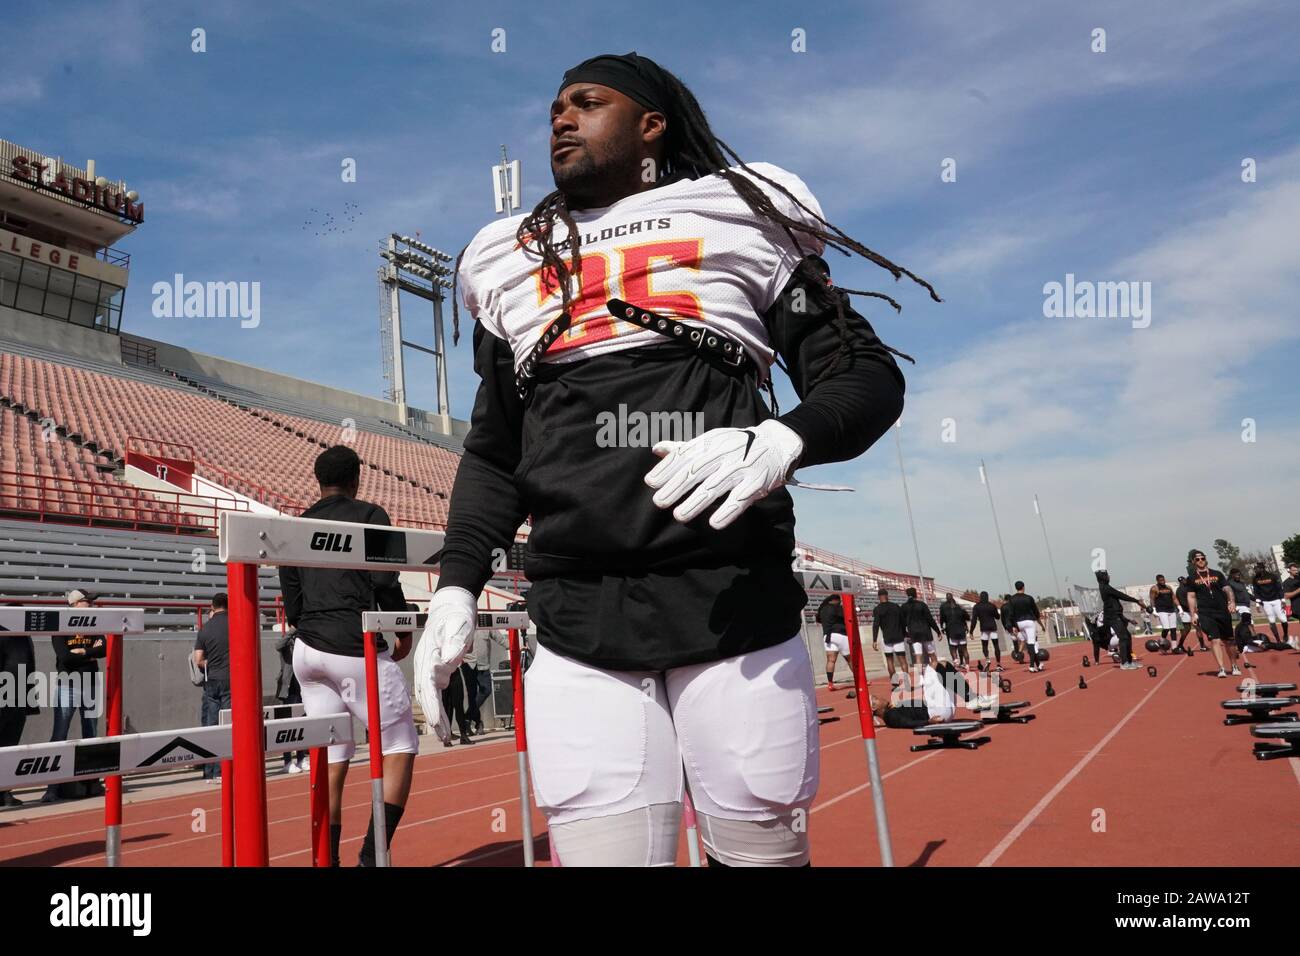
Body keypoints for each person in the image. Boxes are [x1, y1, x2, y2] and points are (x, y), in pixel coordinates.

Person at [415, 51, 928, 867]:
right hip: (578, 618)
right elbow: (494, 449)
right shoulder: (509, 254)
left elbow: (864, 375)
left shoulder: (736, 209)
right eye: (554, 105)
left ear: (652, 124)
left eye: (587, 102)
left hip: (732, 604)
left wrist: (782, 438)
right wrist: (456, 585)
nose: (560, 116)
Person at [279, 445, 419, 867]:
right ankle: (371, 858)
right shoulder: (370, 514)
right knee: (399, 744)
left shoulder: (297, 525)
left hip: (308, 651)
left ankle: (328, 859)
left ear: (318, 482)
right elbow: (383, 578)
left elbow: (294, 601)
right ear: (357, 479)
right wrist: (401, 627)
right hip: (351, 644)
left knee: (332, 751)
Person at [43, 590, 106, 803]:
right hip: (68, 686)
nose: (91, 605)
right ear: (76, 604)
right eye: (88, 601)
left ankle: (91, 783)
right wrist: (89, 653)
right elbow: (65, 658)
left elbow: (104, 649)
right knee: (59, 735)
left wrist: (82, 652)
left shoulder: (94, 625)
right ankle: (52, 788)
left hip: (90, 685)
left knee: (91, 735)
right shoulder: (61, 626)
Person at [0, 602, 37, 807]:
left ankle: (5, 791)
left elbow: (30, 666)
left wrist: (30, 701)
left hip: (20, 699)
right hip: (3, 698)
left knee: (10, 747)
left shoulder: (24, 636)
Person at [193, 593, 232, 782]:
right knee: (227, 725)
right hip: (230, 679)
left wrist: (212, 663)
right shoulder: (236, 624)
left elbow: (198, 659)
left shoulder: (205, 629)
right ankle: (222, 771)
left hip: (212, 680)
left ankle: (209, 772)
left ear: (212, 606)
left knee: (211, 724)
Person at [1183, 549, 1240, 678]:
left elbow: (1227, 588)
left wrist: (1231, 602)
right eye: (1197, 559)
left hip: (1222, 611)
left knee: (1229, 641)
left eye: (1202, 558)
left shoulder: (1217, 574)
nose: (1200, 561)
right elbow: (1191, 597)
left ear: (1206, 559)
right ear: (1193, 562)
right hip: (1205, 612)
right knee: (1214, 640)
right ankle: (1221, 668)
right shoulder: (1191, 578)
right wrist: (1193, 614)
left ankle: (1234, 664)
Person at [273, 622, 309, 773]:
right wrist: (291, 633)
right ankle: (287, 761)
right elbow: (278, 646)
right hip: (287, 688)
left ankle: (301, 758)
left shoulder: (304, 640)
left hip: (301, 686)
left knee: (301, 723)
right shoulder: (286, 640)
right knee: (286, 725)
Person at [1095, 571, 1148, 670]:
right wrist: (1136, 601)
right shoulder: (1106, 588)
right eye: (1107, 575)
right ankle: (1124, 663)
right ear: (1103, 578)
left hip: (1116, 615)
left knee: (1127, 637)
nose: (1109, 576)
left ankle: (1129, 661)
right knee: (1123, 637)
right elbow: (1121, 595)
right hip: (1112, 617)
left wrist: (1126, 618)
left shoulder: (1106, 587)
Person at [816, 593, 852, 691]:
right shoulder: (838, 608)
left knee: (831, 660)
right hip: (840, 635)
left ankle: (830, 683)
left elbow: (818, 620)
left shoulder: (822, 609)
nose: (840, 602)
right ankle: (860, 680)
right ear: (835, 600)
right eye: (839, 600)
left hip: (828, 636)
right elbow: (848, 617)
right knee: (850, 659)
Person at [1007, 582, 1044, 672]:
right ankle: (1031, 666)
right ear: (1023, 587)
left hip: (1019, 623)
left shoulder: (1012, 599)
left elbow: (1011, 614)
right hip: (1029, 621)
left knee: (1028, 643)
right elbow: (1036, 612)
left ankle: (1038, 664)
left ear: (1016, 588)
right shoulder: (1029, 598)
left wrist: (1013, 626)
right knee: (1031, 643)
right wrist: (1041, 624)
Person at [1251, 564, 1290, 649]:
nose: (1255, 570)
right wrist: (1257, 603)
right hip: (1265, 602)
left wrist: (1282, 600)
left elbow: (1279, 588)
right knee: (1271, 621)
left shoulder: (1272, 576)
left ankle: (1285, 634)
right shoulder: (1255, 579)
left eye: (1257, 569)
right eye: (1255, 569)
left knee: (1283, 619)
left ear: (1262, 568)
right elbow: (1256, 591)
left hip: (1276, 600)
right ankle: (1278, 640)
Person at [871, 588, 907, 678]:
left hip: (887, 638)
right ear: (887, 596)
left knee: (889, 661)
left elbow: (876, 625)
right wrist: (904, 632)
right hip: (898, 636)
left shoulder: (877, 609)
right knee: (903, 661)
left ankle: (895, 684)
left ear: (879, 597)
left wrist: (874, 640)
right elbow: (903, 621)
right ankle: (907, 684)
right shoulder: (896, 606)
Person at [902, 587, 941, 668]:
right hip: (925, 632)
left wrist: (905, 633)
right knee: (932, 656)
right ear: (915, 594)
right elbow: (930, 619)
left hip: (913, 633)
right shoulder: (922, 605)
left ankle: (920, 678)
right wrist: (938, 631)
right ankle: (933, 674)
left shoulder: (904, 606)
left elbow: (903, 622)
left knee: (918, 656)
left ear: (907, 595)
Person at [969, 591, 1003, 671]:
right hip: (992, 628)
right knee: (996, 646)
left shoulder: (976, 607)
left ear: (980, 597)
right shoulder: (992, 606)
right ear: (987, 597)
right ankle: (998, 664)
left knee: (984, 646)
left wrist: (971, 631)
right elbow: (997, 617)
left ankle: (987, 659)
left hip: (984, 629)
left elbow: (974, 620)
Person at [1173, 575, 1207, 654]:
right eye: (1183, 581)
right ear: (1181, 582)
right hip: (1186, 612)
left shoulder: (1189, 588)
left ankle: (1202, 646)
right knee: (1187, 629)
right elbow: (1182, 602)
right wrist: (1192, 609)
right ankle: (1180, 645)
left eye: (1184, 580)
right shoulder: (1180, 590)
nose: (1184, 581)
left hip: (1192, 611)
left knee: (1198, 627)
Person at [939, 594, 970, 669]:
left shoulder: (945, 609)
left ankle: (956, 662)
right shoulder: (960, 609)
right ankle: (966, 665)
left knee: (952, 648)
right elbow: (967, 618)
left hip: (951, 631)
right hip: (961, 631)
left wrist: (942, 628)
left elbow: (942, 619)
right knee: (964, 649)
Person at [1149, 575, 1179, 650]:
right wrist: (1153, 609)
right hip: (1161, 610)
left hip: (1171, 609)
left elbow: (1174, 597)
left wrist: (1179, 607)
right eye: (1160, 580)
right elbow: (1152, 599)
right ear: (1157, 580)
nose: (1162, 581)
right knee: (1166, 628)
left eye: (1163, 580)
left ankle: (1174, 647)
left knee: (1173, 629)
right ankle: (1161, 641)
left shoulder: (1168, 587)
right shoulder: (1154, 588)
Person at [1283, 562, 1300, 651]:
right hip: (1297, 606)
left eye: (1297, 569)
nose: (1296, 571)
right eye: (1294, 570)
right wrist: (1298, 590)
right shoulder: (1286, 583)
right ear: (1289, 571)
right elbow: (1286, 595)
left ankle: (1296, 643)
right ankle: (1295, 643)